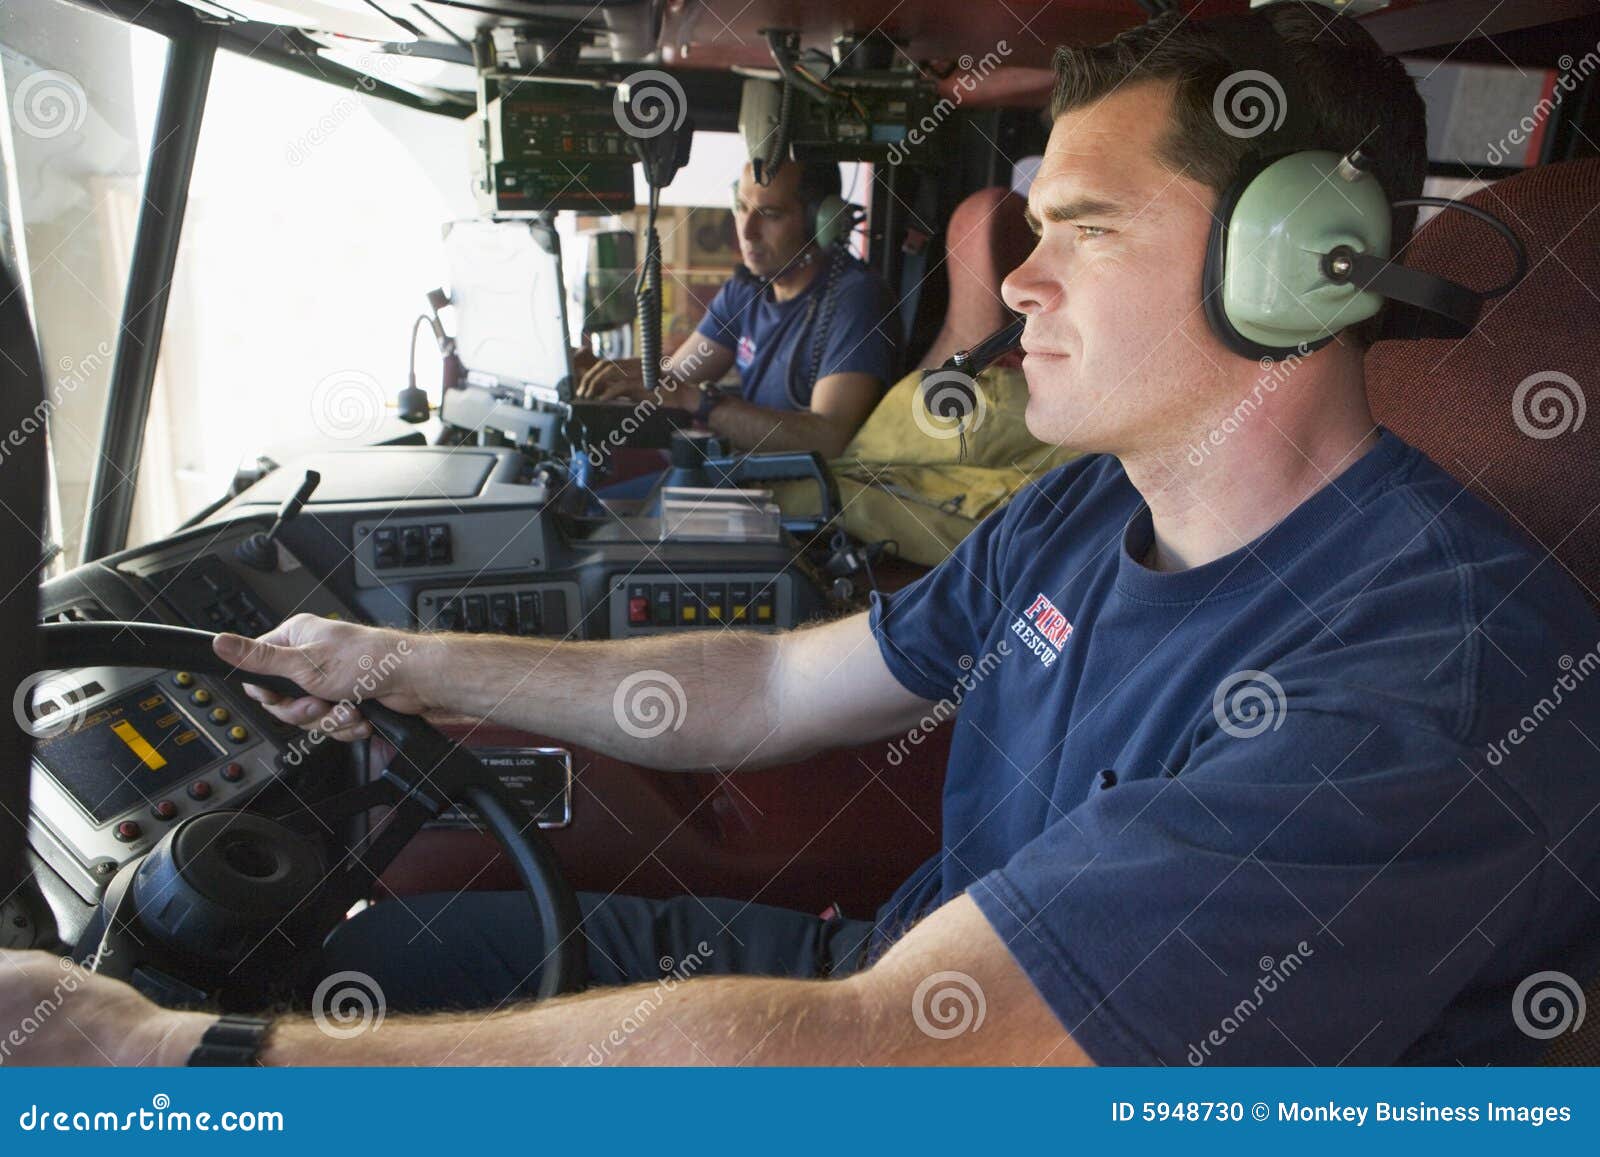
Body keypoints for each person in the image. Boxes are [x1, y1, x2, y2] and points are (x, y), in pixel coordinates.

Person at [8, 4, 1600, 1067]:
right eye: (1025, 232)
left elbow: (891, 1058)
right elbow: (769, 689)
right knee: (386, 942)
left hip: (928, 1058)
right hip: (892, 973)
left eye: (1083, 233)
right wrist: (406, 660)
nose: (1020, 286)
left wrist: (164, 1064)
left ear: (1302, 267)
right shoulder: (1086, 507)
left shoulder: (1434, 684)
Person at [574, 159, 898, 459]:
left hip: (812, 503)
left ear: (821, 222)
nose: (746, 231)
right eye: (742, 208)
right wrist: (599, 373)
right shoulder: (746, 291)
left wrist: (696, 401)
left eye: (771, 214)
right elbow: (676, 377)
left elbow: (830, 438)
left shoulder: (856, 300)